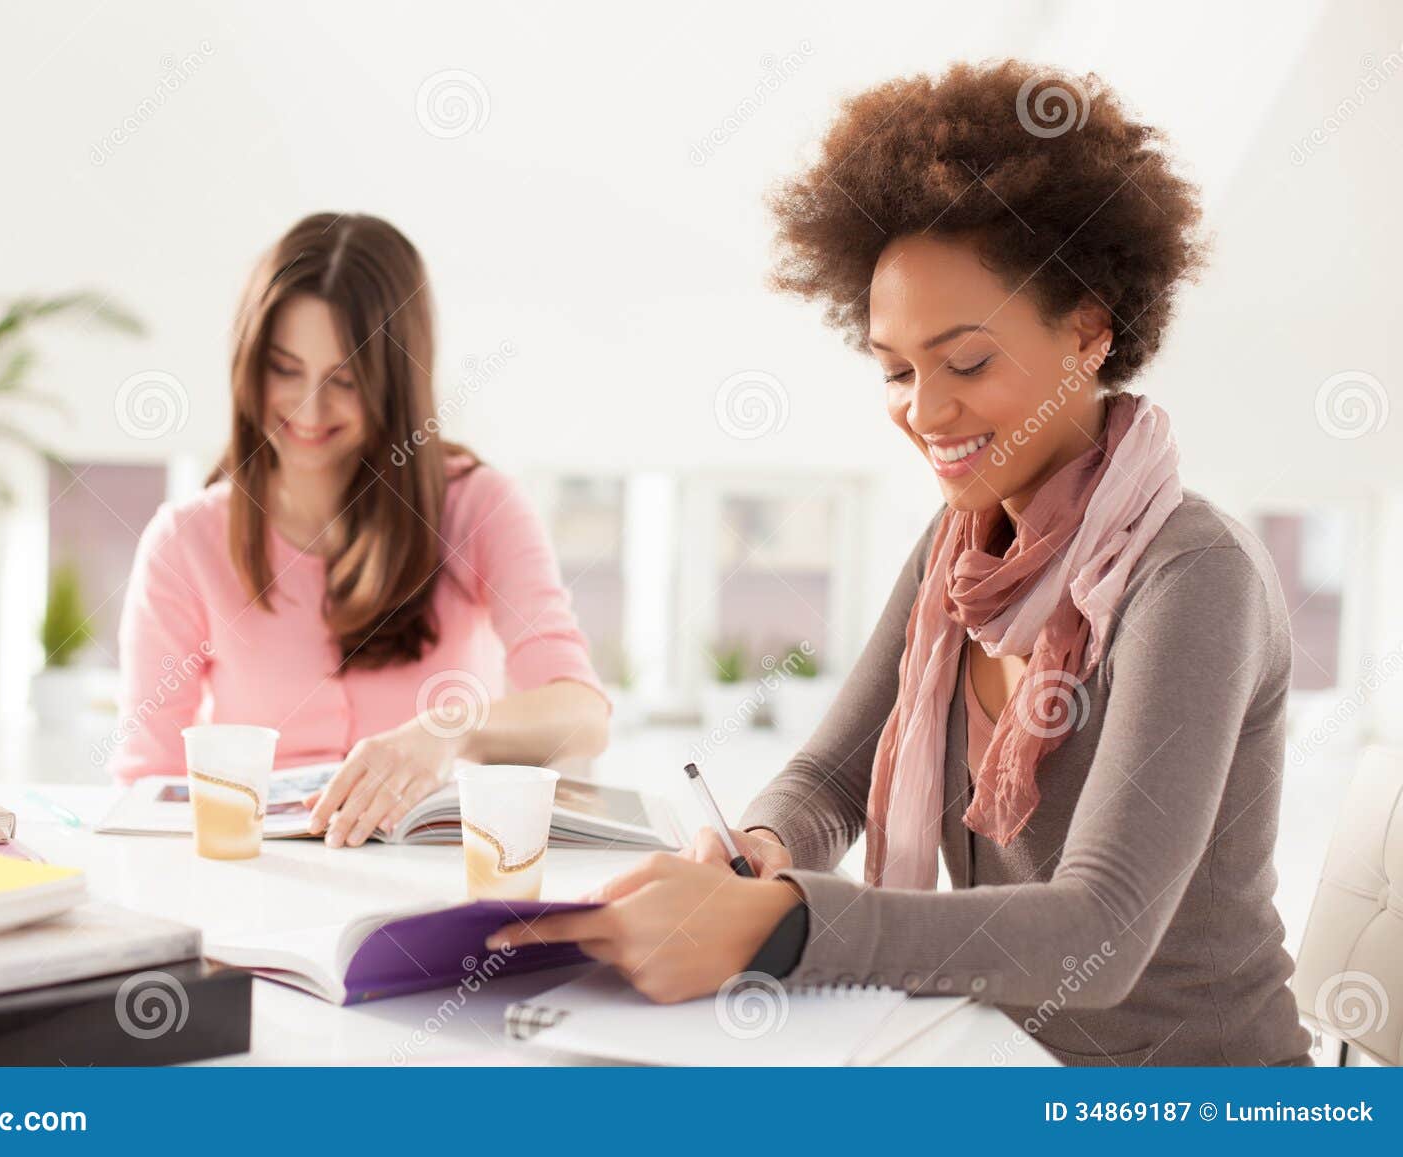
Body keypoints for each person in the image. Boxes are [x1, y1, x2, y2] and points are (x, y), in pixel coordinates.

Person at [494, 61, 1313, 1067]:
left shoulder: (1193, 575)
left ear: (1088, 331)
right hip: (991, 1052)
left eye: (966, 361)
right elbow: (830, 776)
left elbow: (1096, 932)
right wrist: (762, 848)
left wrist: (785, 925)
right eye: (895, 369)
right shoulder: (961, 547)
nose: (924, 411)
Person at [109, 212, 610, 847]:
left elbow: (584, 713)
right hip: (263, 874)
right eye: (284, 369)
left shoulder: (478, 506)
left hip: (429, 873)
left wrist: (446, 730)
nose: (308, 409)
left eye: (344, 380)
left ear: (396, 384)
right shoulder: (186, 542)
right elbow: (146, 783)